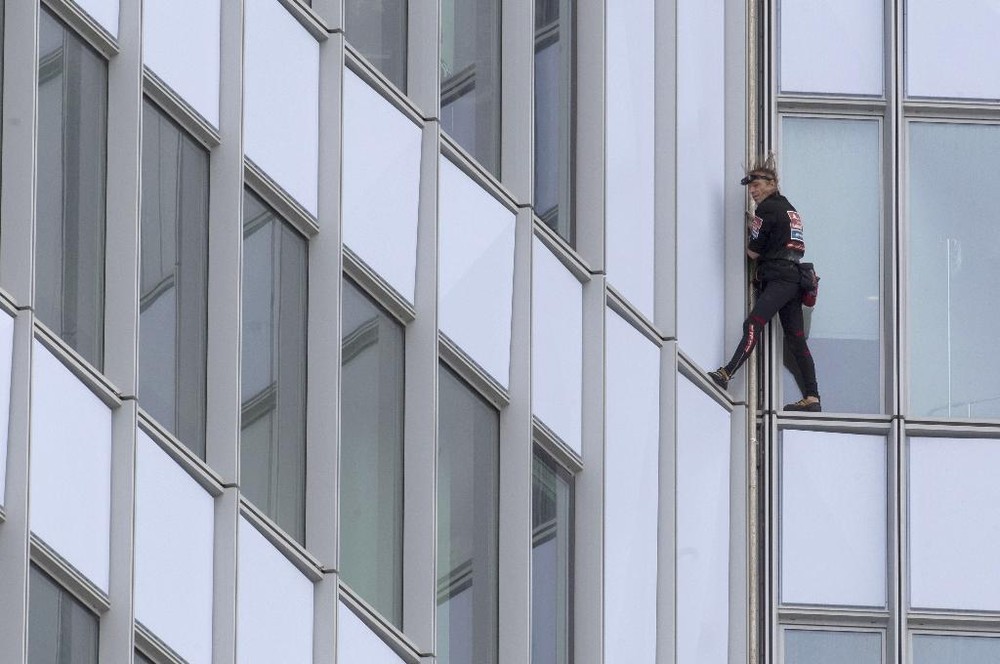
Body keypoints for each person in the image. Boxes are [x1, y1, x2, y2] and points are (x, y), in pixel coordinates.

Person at [708, 155, 821, 412]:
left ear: (772, 183)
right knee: (796, 340)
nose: (753, 192)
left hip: (779, 277)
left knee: (753, 323)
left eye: (756, 185)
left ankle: (726, 373)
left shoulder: (766, 209)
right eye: (750, 188)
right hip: (794, 277)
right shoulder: (789, 208)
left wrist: (749, 230)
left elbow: (753, 253)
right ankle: (813, 397)